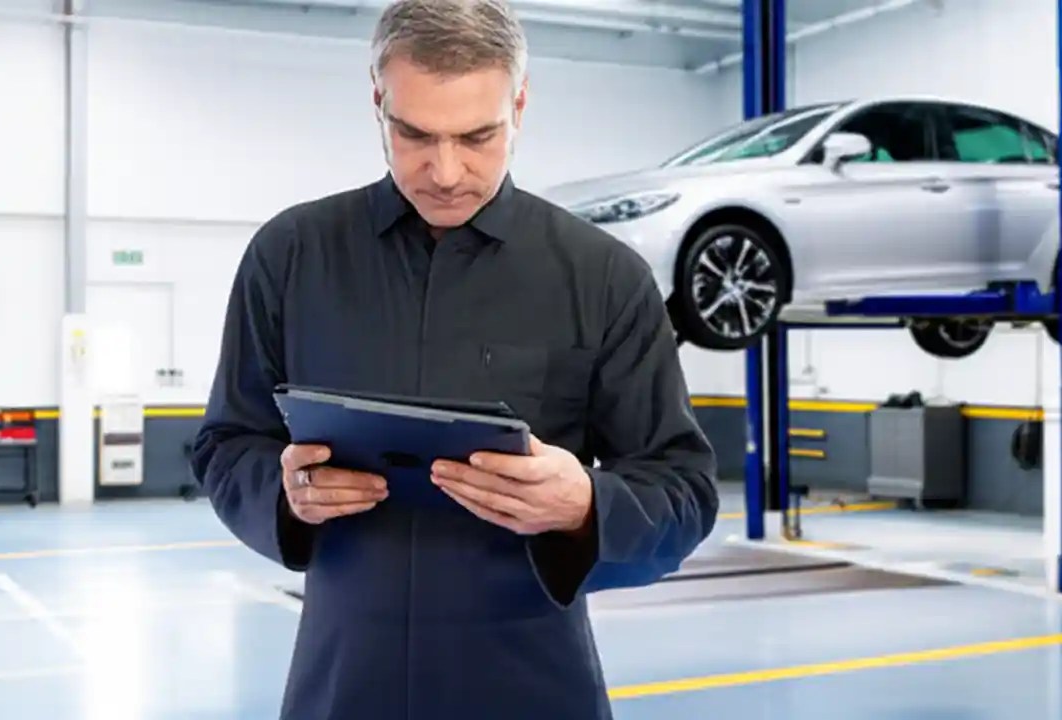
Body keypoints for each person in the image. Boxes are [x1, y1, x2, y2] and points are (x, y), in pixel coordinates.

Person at [190, 1, 720, 718]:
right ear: (377, 102)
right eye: (413, 134)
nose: (445, 171)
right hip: (345, 687)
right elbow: (226, 443)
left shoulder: (604, 278)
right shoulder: (290, 257)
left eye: (478, 136)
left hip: (532, 690)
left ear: (519, 107)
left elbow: (683, 491)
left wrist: (587, 505)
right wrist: (283, 496)